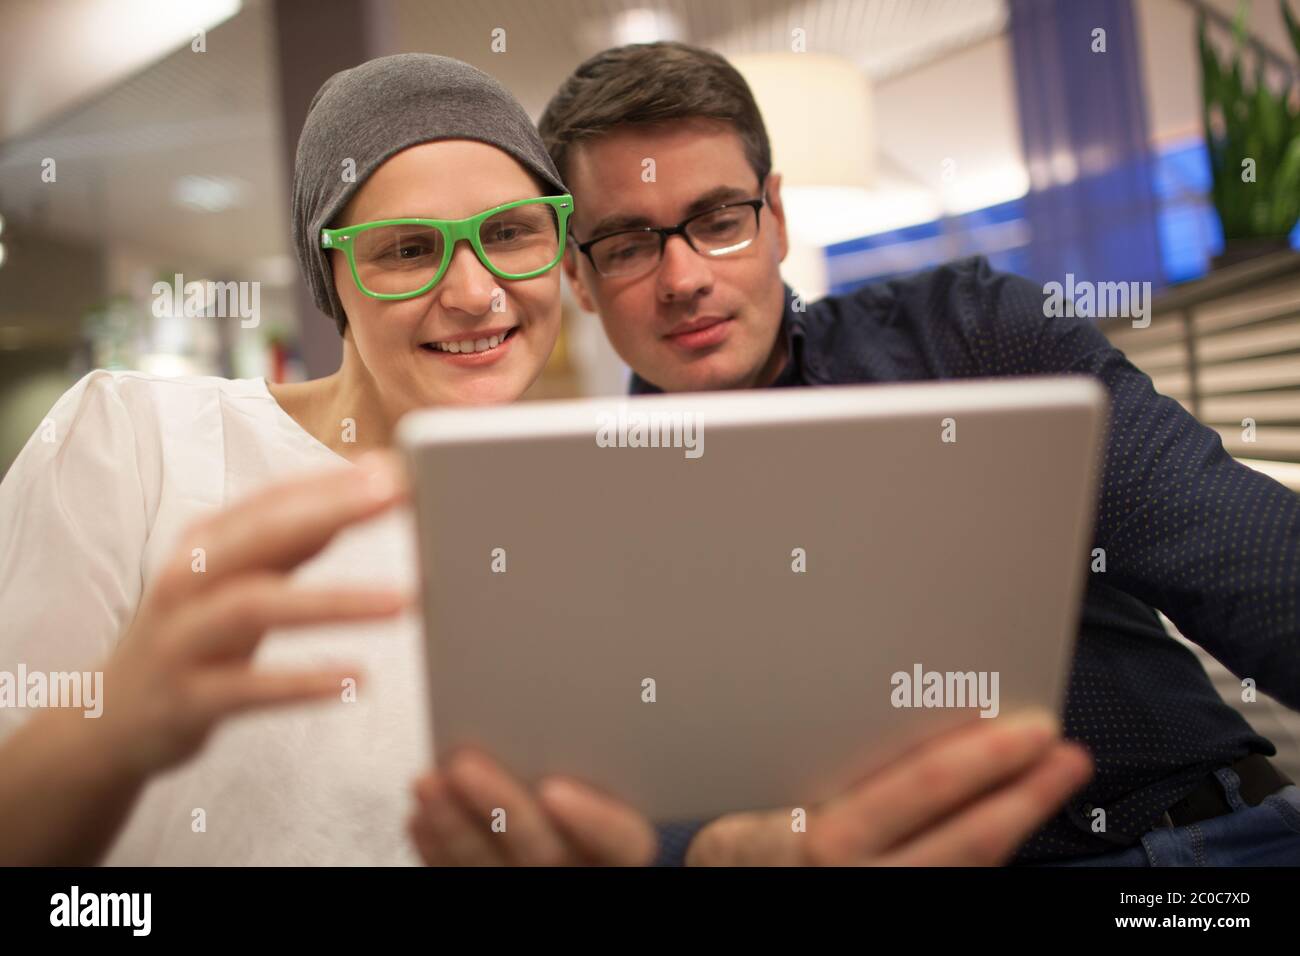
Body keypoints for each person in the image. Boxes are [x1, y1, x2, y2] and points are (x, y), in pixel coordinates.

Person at [0, 52, 1086, 868]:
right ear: (334, 282)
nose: (473, 293)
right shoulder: (135, 439)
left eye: (512, 233)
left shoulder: (607, 530)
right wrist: (114, 730)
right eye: (408, 250)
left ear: (558, 258)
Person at [530, 40, 1300, 866]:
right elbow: (624, 791)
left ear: (776, 219)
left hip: (1204, 842)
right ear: (580, 278)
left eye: (719, 221)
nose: (682, 277)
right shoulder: (592, 513)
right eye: (628, 245)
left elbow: (1245, 561)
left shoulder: (972, 333)